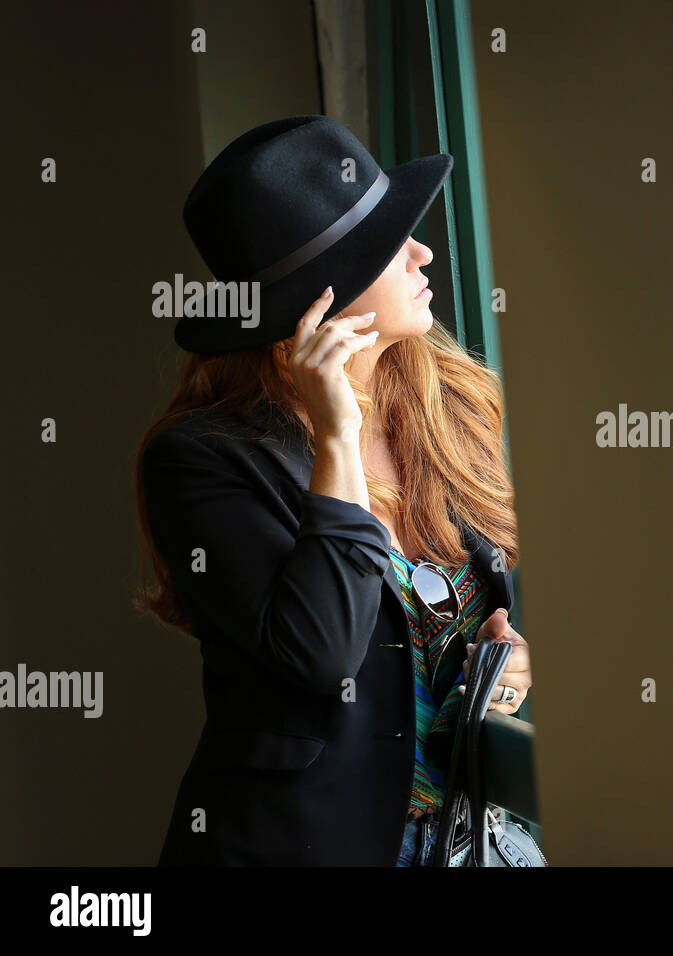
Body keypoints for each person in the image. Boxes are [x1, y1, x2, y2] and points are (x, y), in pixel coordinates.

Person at [133, 115, 532, 866]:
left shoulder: (451, 403)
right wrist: (339, 435)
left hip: (474, 840)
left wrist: (508, 666)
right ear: (319, 302)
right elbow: (321, 655)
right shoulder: (201, 459)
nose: (423, 252)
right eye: (389, 246)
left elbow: (518, 592)